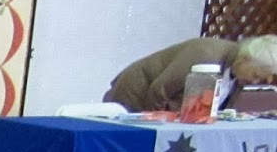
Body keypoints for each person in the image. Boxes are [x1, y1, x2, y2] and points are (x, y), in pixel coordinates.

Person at [104, 35, 277, 112]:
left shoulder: (238, 72)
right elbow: (159, 90)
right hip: (134, 99)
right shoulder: (206, 56)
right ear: (244, 60)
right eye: (256, 74)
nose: (257, 81)